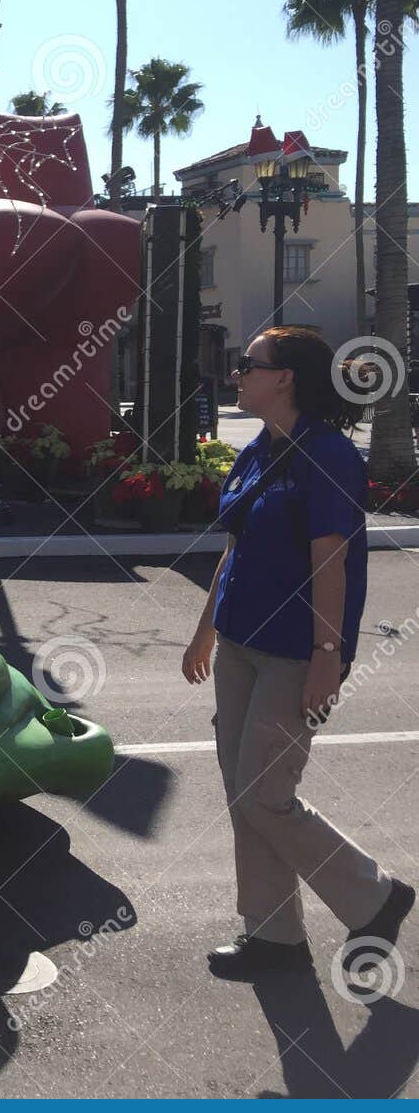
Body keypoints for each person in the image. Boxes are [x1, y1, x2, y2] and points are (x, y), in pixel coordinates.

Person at [182, 326, 413, 980]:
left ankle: (375, 896)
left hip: (293, 653)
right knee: (243, 794)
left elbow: (332, 563)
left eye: (247, 365)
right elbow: (236, 548)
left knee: (266, 795)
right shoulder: (260, 448)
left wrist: (327, 657)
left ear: (284, 378)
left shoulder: (329, 455)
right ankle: (274, 937)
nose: (237, 376)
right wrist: (205, 630)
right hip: (238, 643)